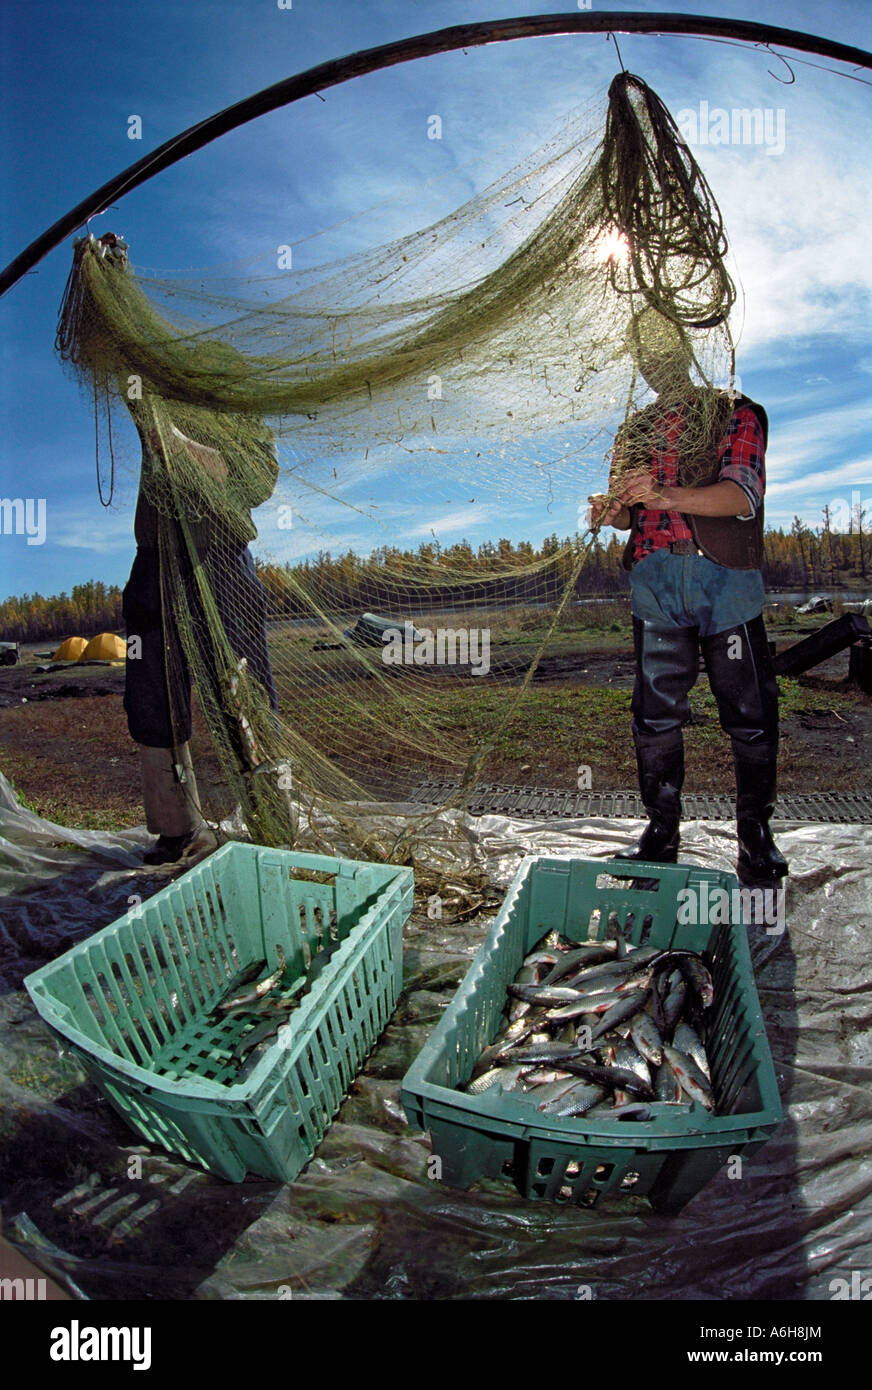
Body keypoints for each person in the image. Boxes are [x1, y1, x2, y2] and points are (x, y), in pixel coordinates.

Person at [588, 310, 788, 884]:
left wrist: (663, 492)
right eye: (643, 352)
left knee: (750, 713)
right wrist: (613, 511)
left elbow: (738, 496)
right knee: (654, 717)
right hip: (653, 584)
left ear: (683, 345)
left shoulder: (734, 410)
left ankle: (754, 835)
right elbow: (631, 512)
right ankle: (660, 833)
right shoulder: (636, 429)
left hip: (724, 579)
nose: (655, 361)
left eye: (662, 346)